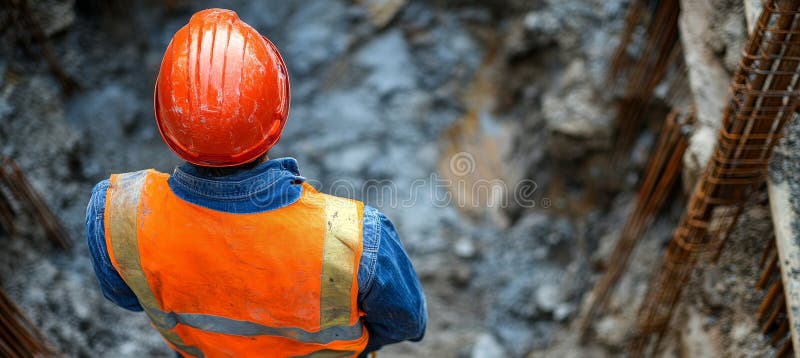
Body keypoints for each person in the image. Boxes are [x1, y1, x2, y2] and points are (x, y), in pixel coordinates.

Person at [85, 8, 426, 357]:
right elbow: (407, 324)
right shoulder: (356, 237)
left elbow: (127, 297)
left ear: (166, 120)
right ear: (277, 113)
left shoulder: (115, 214)